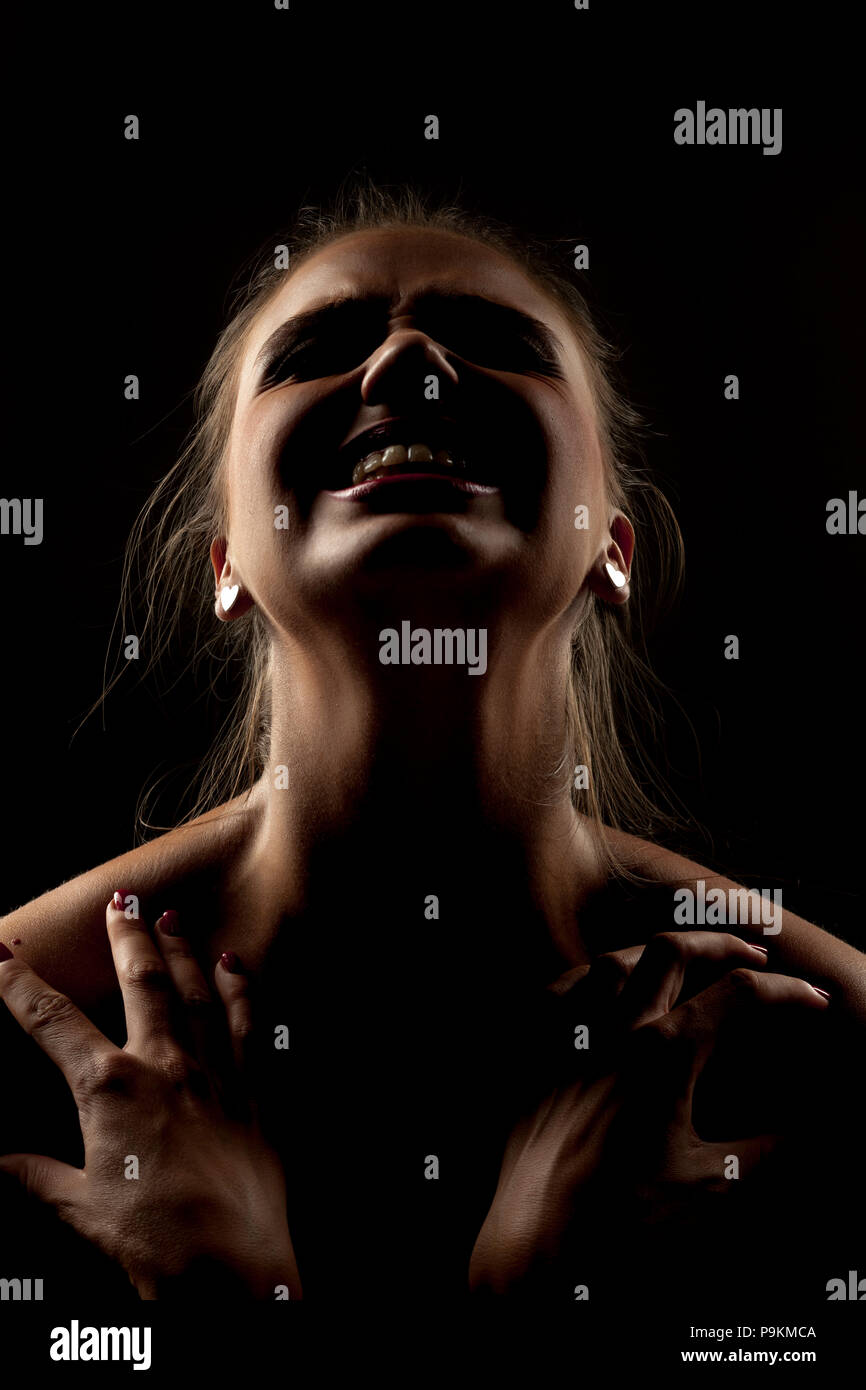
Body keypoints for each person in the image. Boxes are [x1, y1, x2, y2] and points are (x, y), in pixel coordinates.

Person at [1, 186, 863, 1304]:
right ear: (225, 565)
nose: (407, 359)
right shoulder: (34, 1016)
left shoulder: (816, 1031)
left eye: (500, 343)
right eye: (316, 348)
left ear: (612, 550)